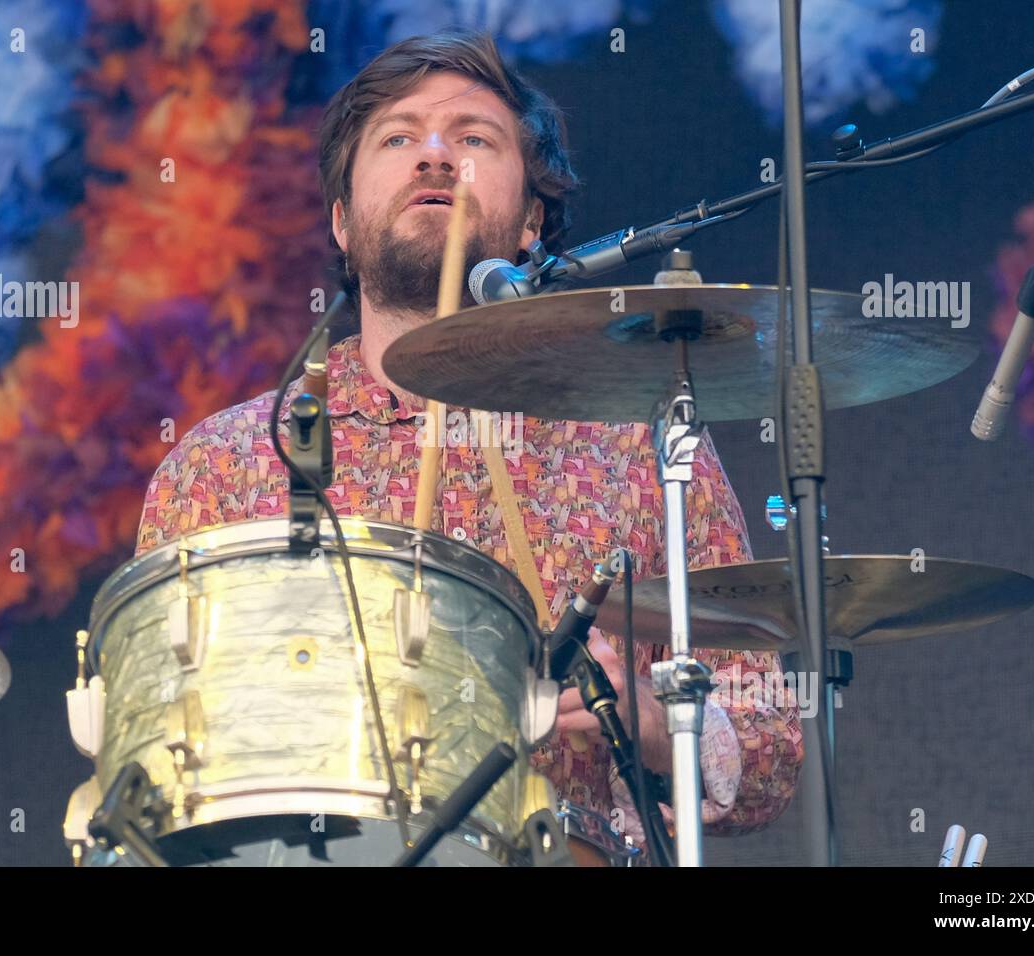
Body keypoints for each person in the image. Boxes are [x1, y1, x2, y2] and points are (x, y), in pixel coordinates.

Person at [137, 29, 802, 844]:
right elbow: (155, 744)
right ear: (342, 222)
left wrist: (657, 723)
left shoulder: (633, 441)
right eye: (399, 137)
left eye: (474, 139)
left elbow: (771, 746)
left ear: (530, 221)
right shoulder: (226, 465)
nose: (435, 156)